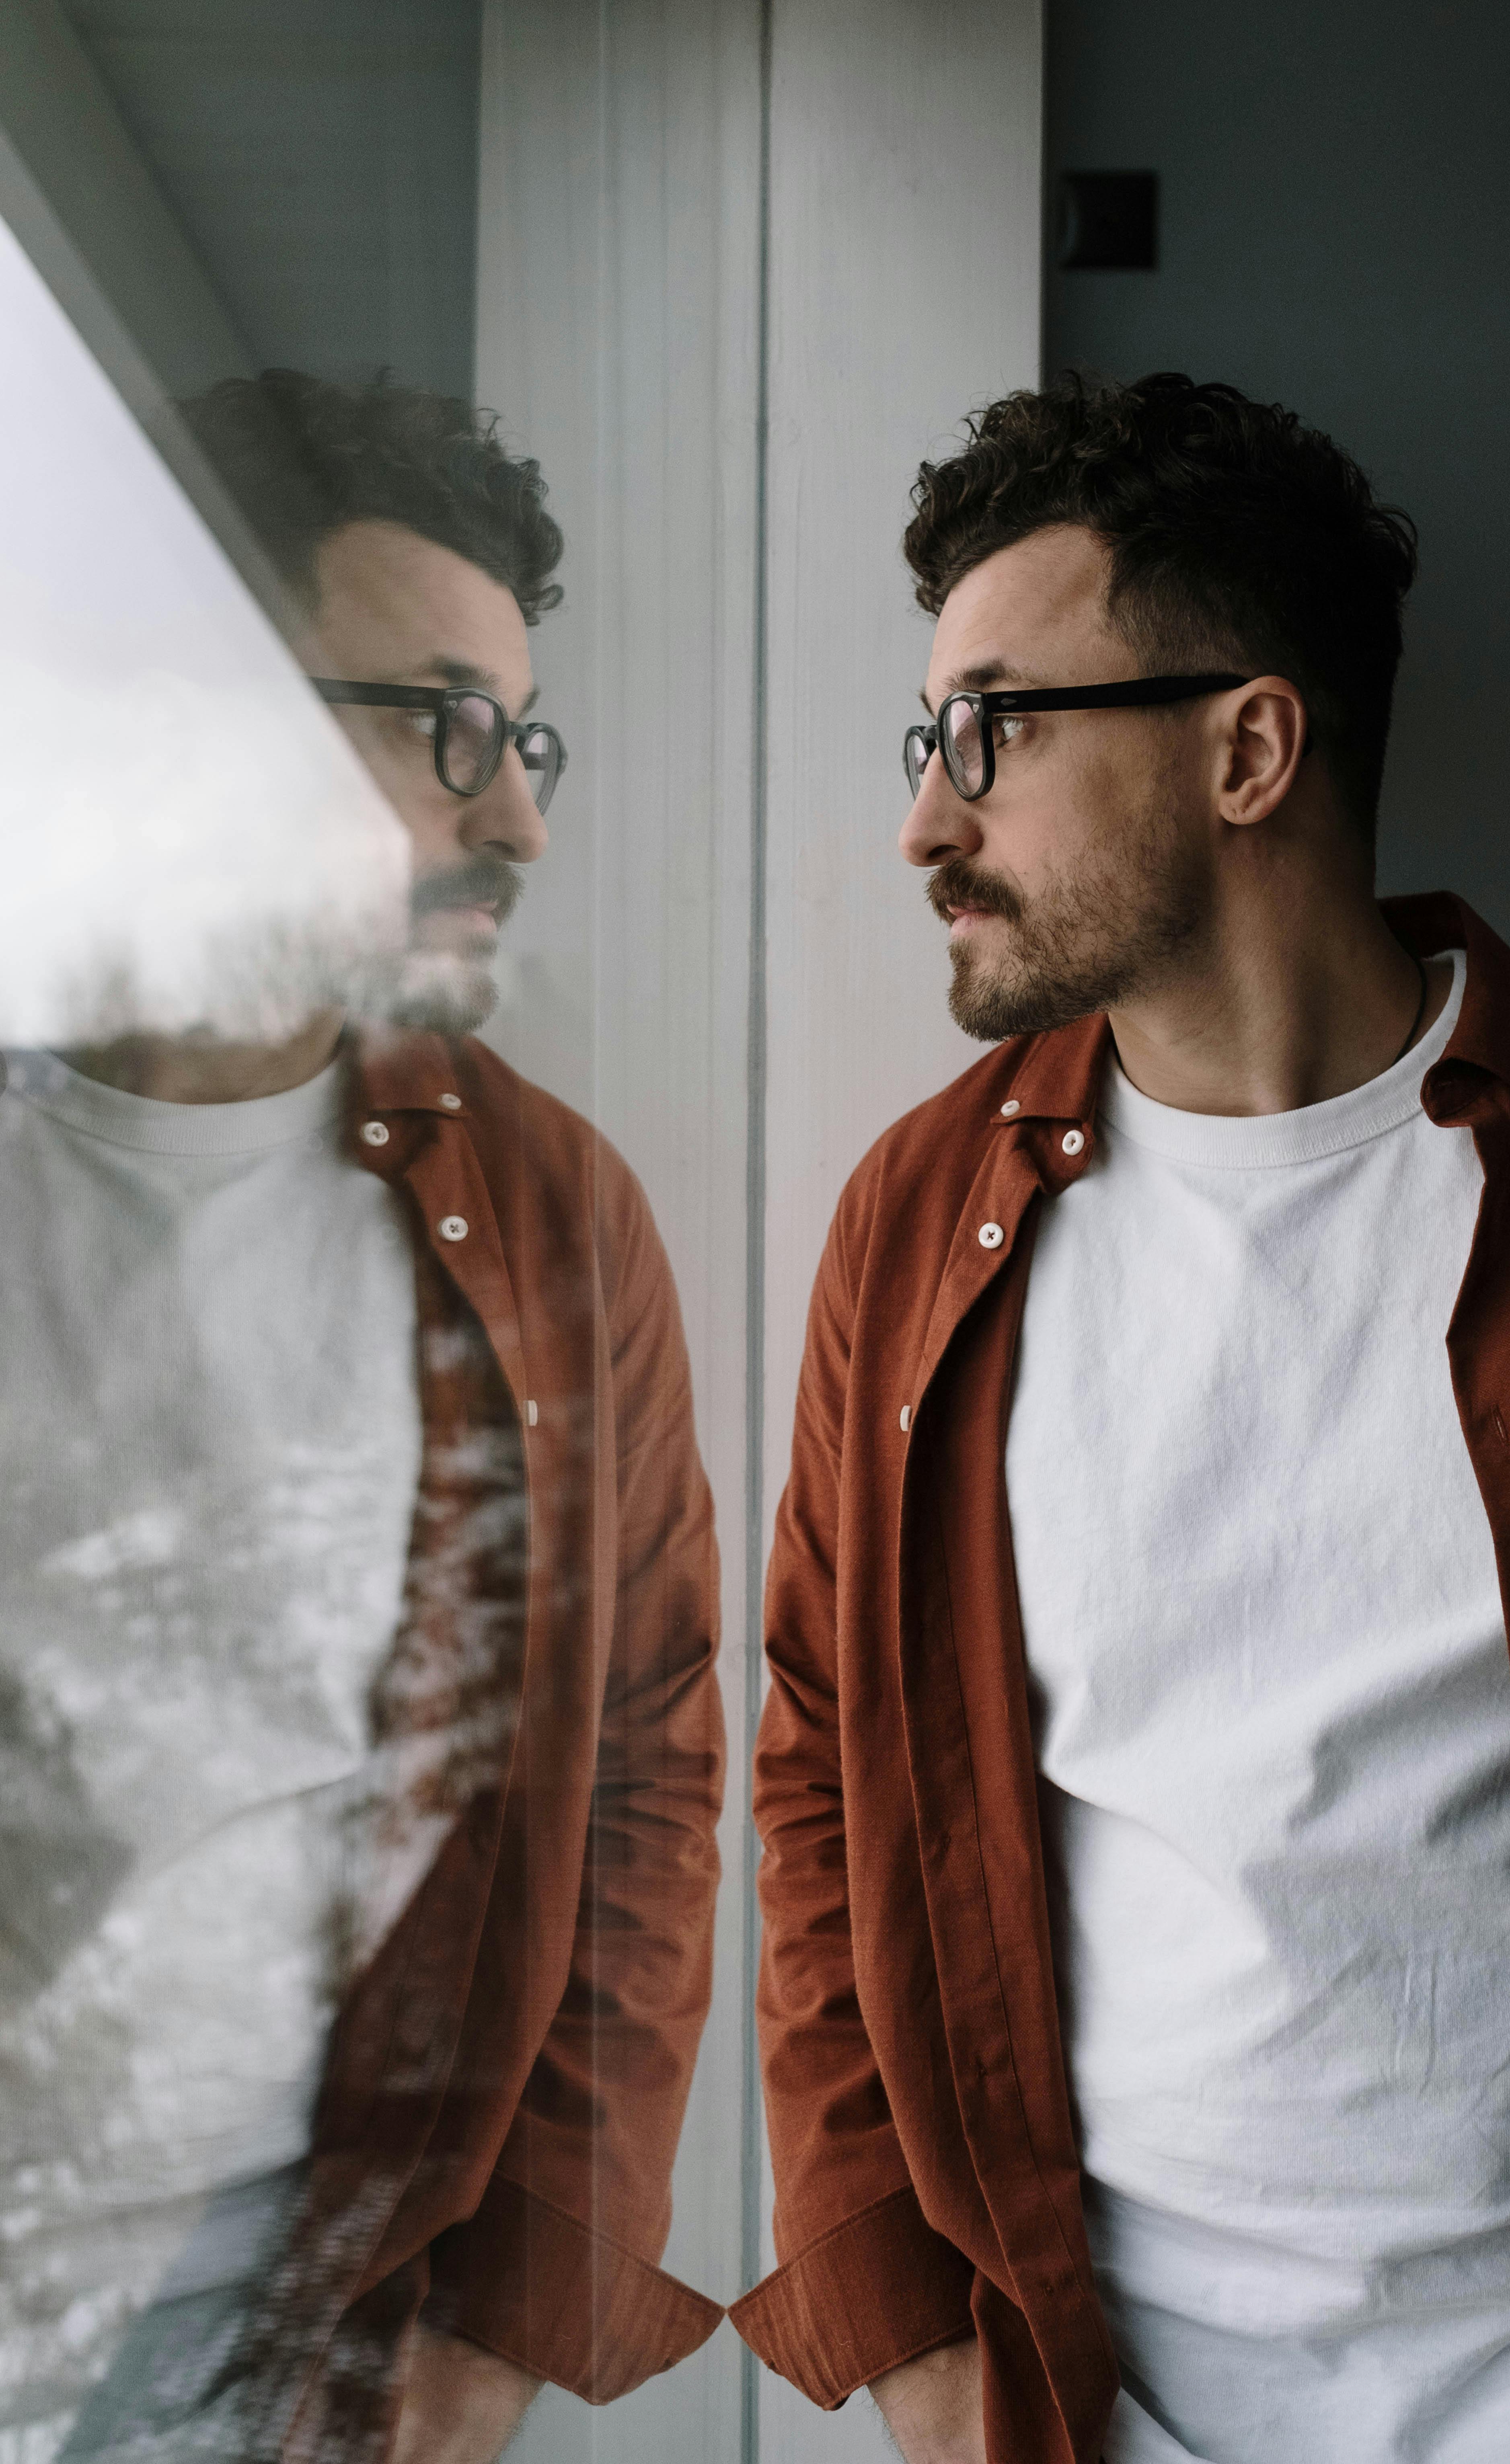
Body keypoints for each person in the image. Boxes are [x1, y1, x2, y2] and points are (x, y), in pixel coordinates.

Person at [729, 372, 1510, 2462]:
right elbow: (816, 1763)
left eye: (992, 731)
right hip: (1098, 2415)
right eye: (925, 738)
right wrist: (910, 2337)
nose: (922, 820)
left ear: (1246, 744)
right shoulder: (917, 1221)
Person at [0, 371, 724, 2464]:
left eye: (526, 737)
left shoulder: (550, 1220)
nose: (516, 820)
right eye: (443, 728)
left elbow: (644, 1777)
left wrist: (509, 2320)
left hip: (274, 2355)